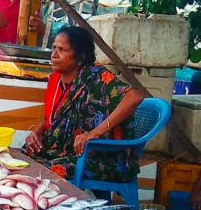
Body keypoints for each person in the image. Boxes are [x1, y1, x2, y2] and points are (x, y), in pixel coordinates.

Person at [24, 26, 145, 181]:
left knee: (42, 172)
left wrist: (95, 132)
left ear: (80, 57)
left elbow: (135, 97)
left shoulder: (96, 77)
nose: (54, 54)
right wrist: (37, 131)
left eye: (62, 50)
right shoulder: (55, 79)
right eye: (54, 48)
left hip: (98, 156)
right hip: (60, 150)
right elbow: (50, 119)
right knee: (21, 158)